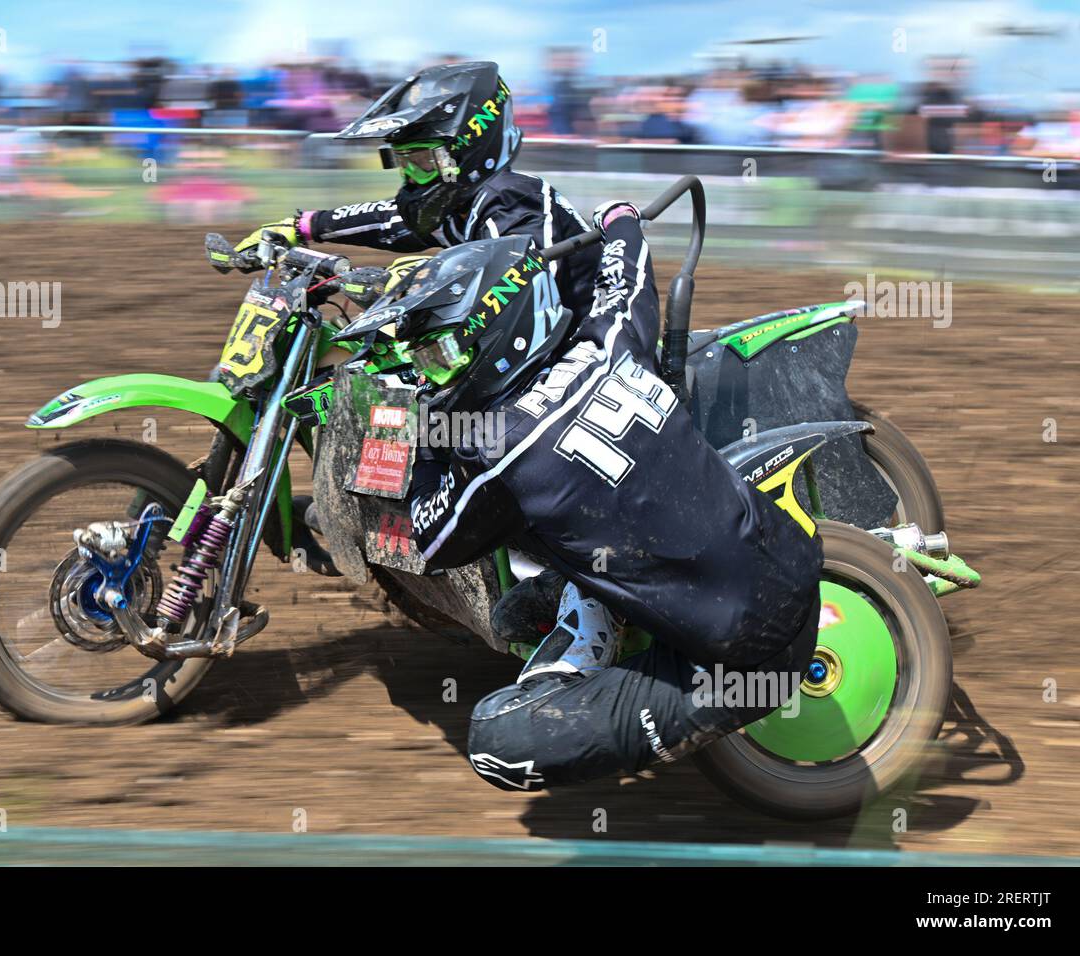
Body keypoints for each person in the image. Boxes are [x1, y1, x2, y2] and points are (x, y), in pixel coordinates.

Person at [377, 202, 823, 790]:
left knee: (497, 745)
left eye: (436, 356)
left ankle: (608, 655)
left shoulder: (500, 459)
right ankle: (601, 615)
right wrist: (620, 218)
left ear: (489, 336)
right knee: (532, 587)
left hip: (749, 656)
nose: (424, 372)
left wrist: (411, 426)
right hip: (790, 558)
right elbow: (626, 275)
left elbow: (426, 542)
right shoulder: (607, 344)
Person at [232, 60, 601, 316]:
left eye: (424, 161)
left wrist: (419, 277)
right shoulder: (461, 204)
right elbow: (392, 221)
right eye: (405, 162)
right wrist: (300, 227)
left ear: (468, 148)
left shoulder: (512, 200)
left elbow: (518, 284)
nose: (412, 176)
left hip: (578, 352)